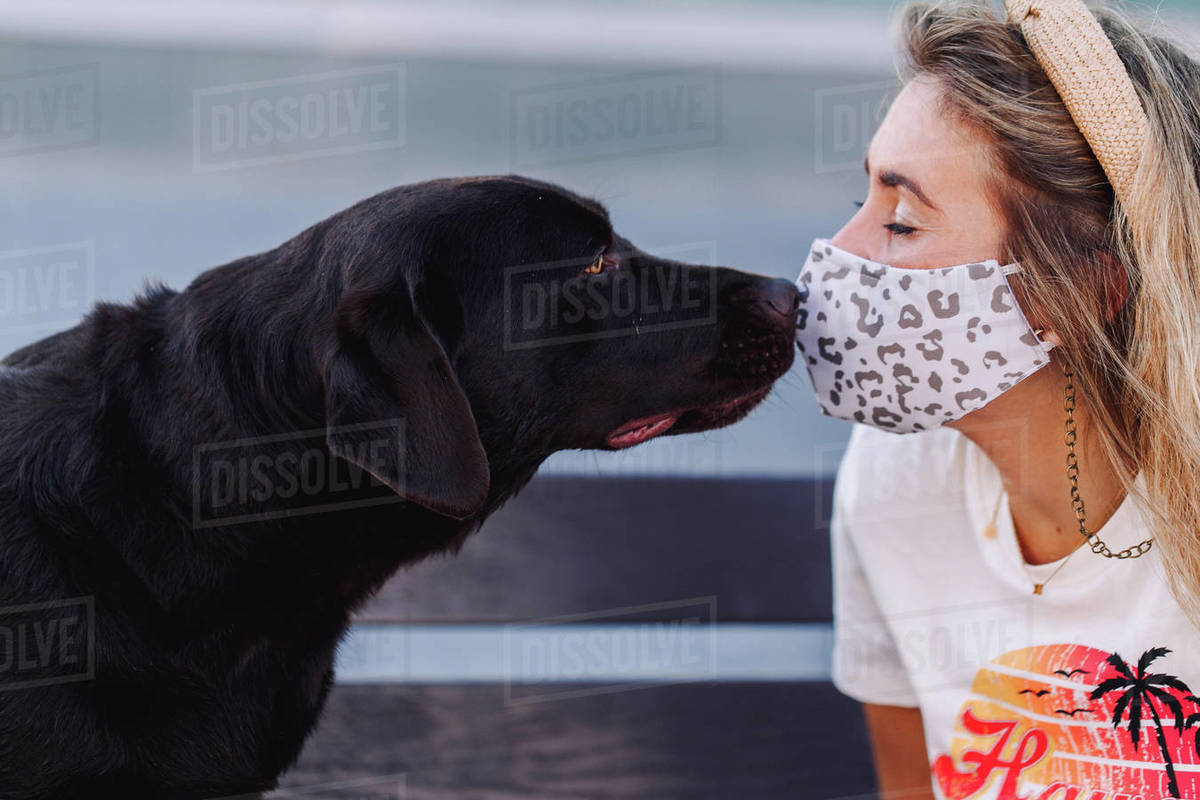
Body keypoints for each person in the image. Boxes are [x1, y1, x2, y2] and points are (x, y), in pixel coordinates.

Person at [793, 1, 1200, 798]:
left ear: (1083, 287)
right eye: (860, 204)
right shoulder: (892, 478)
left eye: (902, 222)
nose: (833, 260)